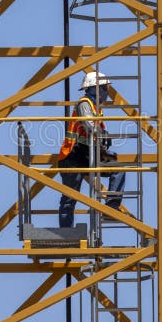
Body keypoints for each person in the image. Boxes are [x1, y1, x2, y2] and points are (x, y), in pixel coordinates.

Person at [58, 71, 126, 227]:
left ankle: (112, 207)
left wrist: (104, 150)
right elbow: (89, 127)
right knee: (69, 198)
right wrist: (102, 135)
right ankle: (66, 232)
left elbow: (94, 135)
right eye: (105, 88)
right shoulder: (85, 104)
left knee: (118, 169)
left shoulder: (96, 108)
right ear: (96, 88)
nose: (107, 92)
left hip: (87, 155)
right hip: (72, 155)